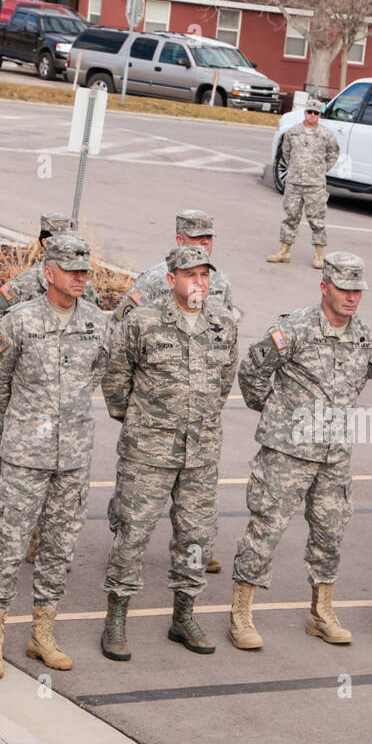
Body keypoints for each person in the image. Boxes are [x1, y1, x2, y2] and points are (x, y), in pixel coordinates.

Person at [230, 252, 372, 649]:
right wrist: (277, 414)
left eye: (357, 291)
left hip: (334, 456)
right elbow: (253, 373)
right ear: (325, 286)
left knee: (330, 534)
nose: (351, 298)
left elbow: (361, 380)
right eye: (344, 289)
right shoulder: (292, 330)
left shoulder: (365, 338)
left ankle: (321, 612)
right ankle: (242, 614)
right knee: (265, 530)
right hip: (286, 453)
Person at [0, 235, 109, 680]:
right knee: (10, 546)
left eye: (84, 271)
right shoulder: (19, 321)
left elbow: (98, 373)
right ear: (48, 272)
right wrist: (19, 422)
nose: (79, 278)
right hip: (25, 458)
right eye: (71, 270)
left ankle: (41, 634)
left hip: (72, 458)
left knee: (58, 548)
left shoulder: (97, 323)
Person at [99, 246, 238, 660]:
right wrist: (143, 424)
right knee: (133, 533)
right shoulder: (142, 322)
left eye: (205, 275)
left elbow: (224, 380)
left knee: (196, 538)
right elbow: (115, 381)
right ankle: (117, 619)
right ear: (171, 279)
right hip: (148, 453)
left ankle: (184, 616)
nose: (199, 282)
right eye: (191, 274)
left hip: (200, 455)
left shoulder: (224, 324)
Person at [112, 208, 240, 574]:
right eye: (196, 238)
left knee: (195, 509)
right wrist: (135, 409)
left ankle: (194, 552)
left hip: (196, 423)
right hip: (153, 421)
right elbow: (121, 338)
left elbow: (223, 352)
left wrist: (205, 401)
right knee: (136, 507)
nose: (204, 244)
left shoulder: (221, 283)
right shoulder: (153, 281)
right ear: (179, 238)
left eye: (209, 238)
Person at [0, 212, 99, 574]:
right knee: (2, 467)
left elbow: (93, 350)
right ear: (45, 244)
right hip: (22, 404)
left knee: (56, 474)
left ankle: (39, 541)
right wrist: (12, 400)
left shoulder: (83, 290)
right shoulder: (22, 287)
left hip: (58, 408)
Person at [267, 98, 339, 270]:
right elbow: (286, 153)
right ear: (305, 112)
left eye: (316, 113)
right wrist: (295, 168)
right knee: (290, 217)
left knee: (317, 220)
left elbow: (333, 155)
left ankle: (319, 254)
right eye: (309, 112)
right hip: (294, 182)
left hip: (315, 184)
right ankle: (285, 251)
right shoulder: (293, 132)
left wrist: (320, 170)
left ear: (319, 114)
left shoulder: (326, 134)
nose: (312, 115)